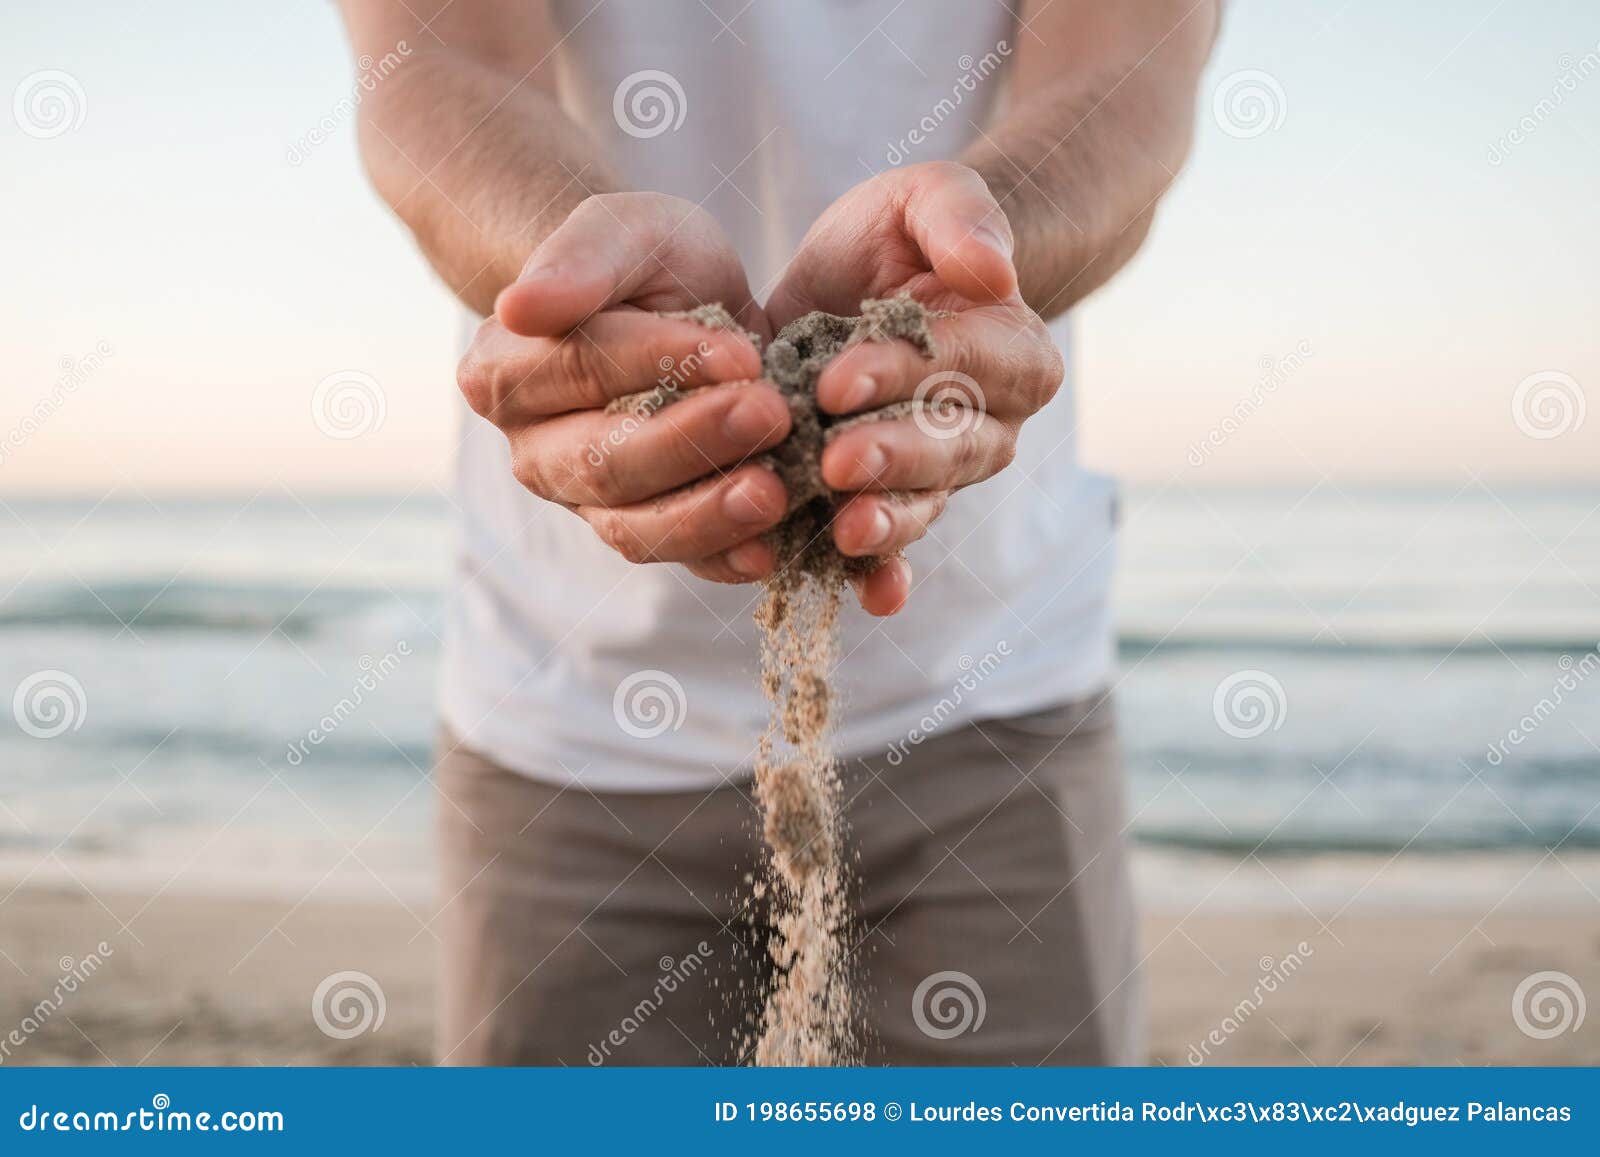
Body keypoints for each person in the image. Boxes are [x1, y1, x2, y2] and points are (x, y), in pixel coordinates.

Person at [336, 0, 1217, 1065]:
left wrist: (988, 242)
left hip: (989, 694)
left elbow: (1126, 70)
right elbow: (435, 64)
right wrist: (566, 262)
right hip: (565, 708)